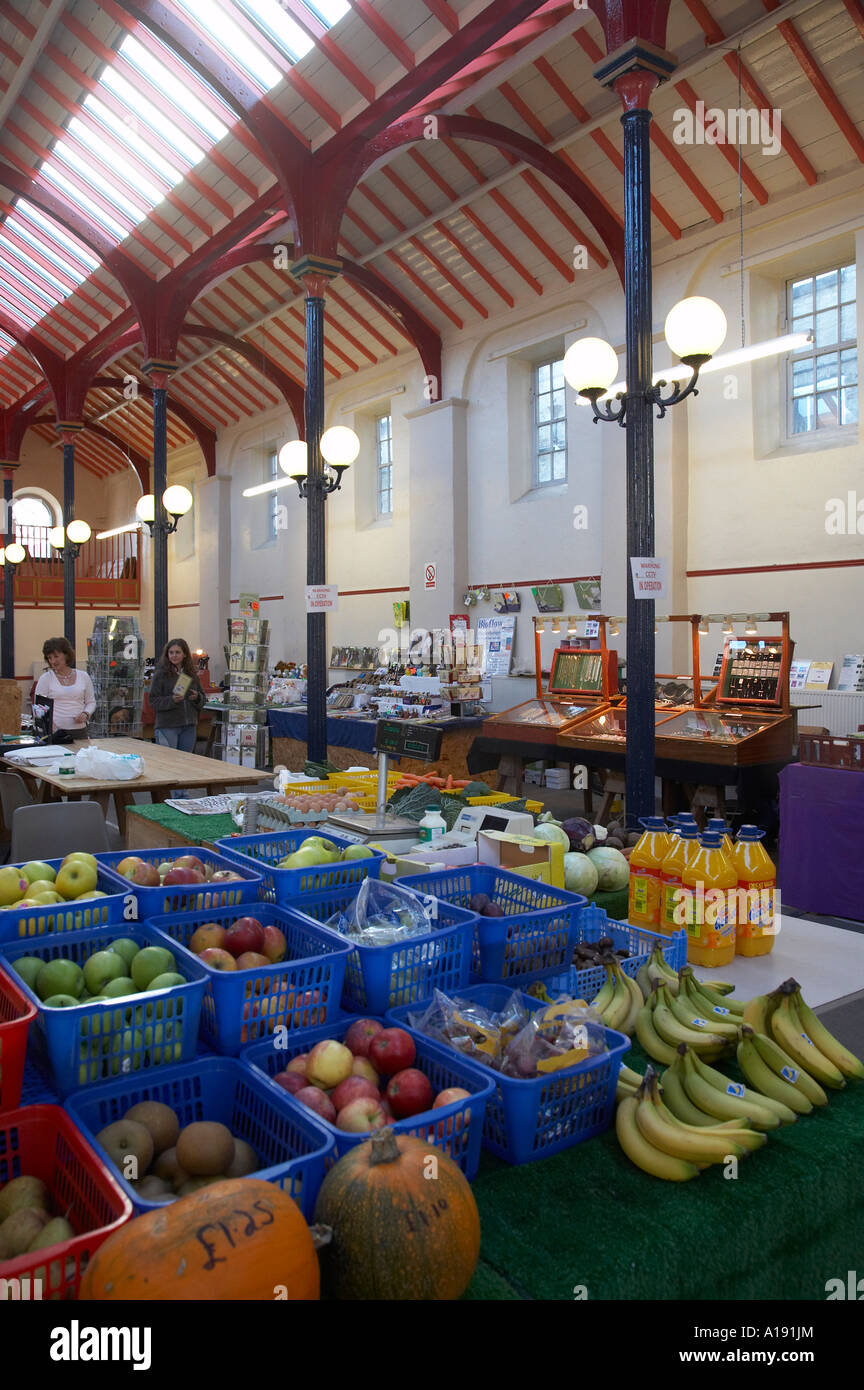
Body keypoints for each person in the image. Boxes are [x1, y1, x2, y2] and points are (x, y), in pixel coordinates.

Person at [148, 638, 204, 752]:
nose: (174, 655)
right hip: (167, 726)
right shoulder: (160, 675)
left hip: (189, 726)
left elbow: (203, 699)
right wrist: (172, 700)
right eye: (171, 652)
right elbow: (153, 701)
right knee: (168, 763)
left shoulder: (192, 675)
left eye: (177, 652)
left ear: (184, 654)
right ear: (167, 654)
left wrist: (197, 697)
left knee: (184, 763)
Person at [33, 637, 96, 737]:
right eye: (49, 658)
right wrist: (47, 724)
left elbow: (91, 702)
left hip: (79, 731)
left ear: (66, 655)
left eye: (56, 656)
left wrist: (86, 713)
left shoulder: (83, 676)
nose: (53, 661)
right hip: (55, 733)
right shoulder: (46, 678)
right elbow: (38, 707)